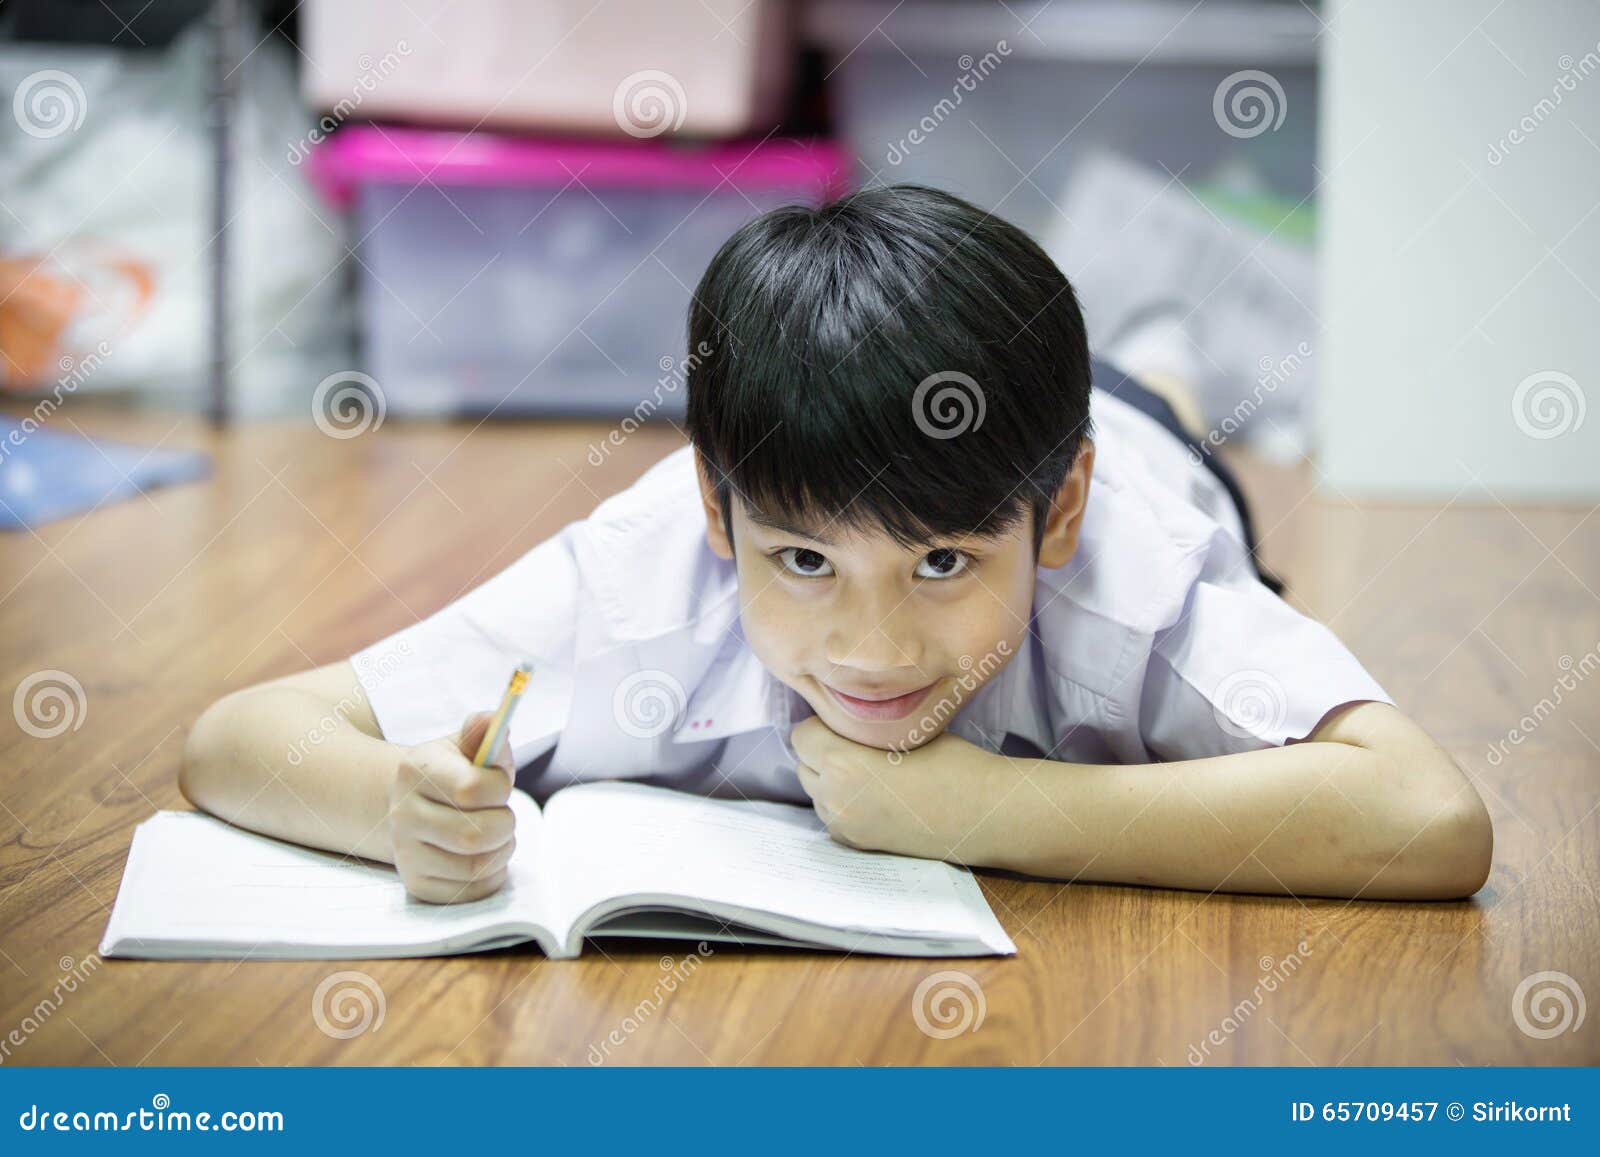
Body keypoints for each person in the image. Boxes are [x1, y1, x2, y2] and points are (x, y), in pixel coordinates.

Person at [181, 185, 1492, 904]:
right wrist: (391, 807)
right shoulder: (640, 571)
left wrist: (997, 808)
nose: (871, 648)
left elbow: (1428, 816)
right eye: (803, 562)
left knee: (1163, 412)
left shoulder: (1134, 566)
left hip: (1149, 456)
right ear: (717, 512)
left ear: (1056, 519)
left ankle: (1161, 367)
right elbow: (239, 737)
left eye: (941, 563)